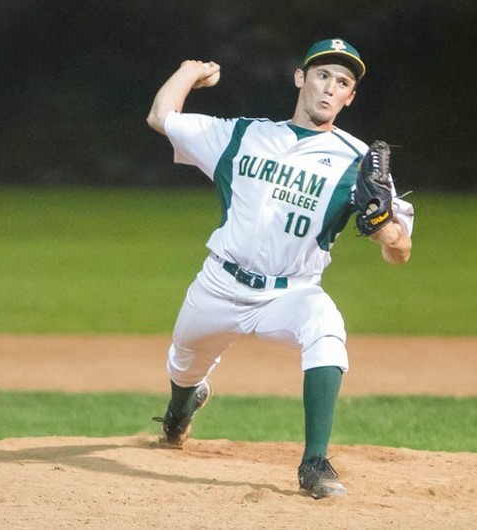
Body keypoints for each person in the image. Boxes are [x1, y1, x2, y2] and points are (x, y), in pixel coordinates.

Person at [145, 38, 414, 499]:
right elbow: (160, 117)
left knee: (326, 325)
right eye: (323, 75)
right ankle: (180, 410)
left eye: (343, 82)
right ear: (300, 78)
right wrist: (192, 71)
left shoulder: (360, 162)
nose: (330, 88)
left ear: (351, 97)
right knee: (185, 365)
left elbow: (401, 250)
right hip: (219, 283)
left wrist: (384, 228)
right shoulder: (243, 135)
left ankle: (314, 462)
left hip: (290, 294)